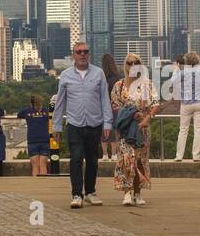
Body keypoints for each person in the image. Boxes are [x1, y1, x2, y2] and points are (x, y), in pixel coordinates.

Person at [51, 41, 115, 209]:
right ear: (73, 55)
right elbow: (60, 102)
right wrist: (56, 126)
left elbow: (104, 99)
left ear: (89, 54)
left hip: (94, 123)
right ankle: (77, 194)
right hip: (74, 124)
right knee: (76, 158)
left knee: (93, 160)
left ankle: (90, 192)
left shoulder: (98, 73)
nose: (82, 55)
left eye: (85, 51)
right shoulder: (65, 75)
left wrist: (108, 123)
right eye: (78, 52)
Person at [111, 53, 160, 206]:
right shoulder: (119, 86)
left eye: (136, 63)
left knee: (139, 159)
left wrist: (147, 118)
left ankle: (137, 193)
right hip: (125, 128)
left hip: (142, 128)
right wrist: (130, 113)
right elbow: (114, 105)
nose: (132, 66)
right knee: (126, 159)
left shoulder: (147, 84)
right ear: (125, 66)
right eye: (129, 63)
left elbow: (155, 103)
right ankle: (127, 192)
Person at [174, 52, 200, 162]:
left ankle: (179, 156)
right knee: (198, 130)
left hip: (186, 104)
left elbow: (173, 82)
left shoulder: (183, 72)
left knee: (183, 130)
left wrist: (176, 69)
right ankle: (196, 156)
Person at [17, 94, 52, 176]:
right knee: (43, 165)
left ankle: (36, 185)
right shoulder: (46, 111)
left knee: (35, 166)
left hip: (32, 140)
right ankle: (44, 185)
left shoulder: (27, 111)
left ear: (31, 103)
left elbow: (19, 114)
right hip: (45, 140)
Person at [101, 54, 123, 159]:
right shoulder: (117, 78)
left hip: (103, 106)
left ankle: (105, 154)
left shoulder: (102, 77)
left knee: (104, 129)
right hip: (115, 106)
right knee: (114, 129)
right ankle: (114, 154)